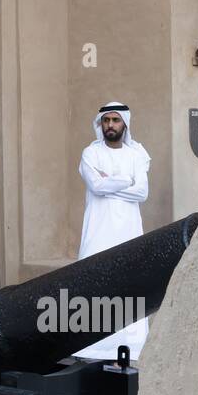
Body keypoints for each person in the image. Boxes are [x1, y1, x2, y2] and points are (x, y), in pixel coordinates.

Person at [74, 101, 151, 360]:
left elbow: (142, 192)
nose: (110, 125)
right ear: (100, 124)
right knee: (93, 282)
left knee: (129, 283)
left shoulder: (136, 154)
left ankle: (131, 347)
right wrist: (126, 180)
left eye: (115, 120)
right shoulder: (91, 153)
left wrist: (111, 181)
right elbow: (96, 186)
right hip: (98, 231)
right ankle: (92, 348)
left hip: (128, 231)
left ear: (124, 124)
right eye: (106, 120)